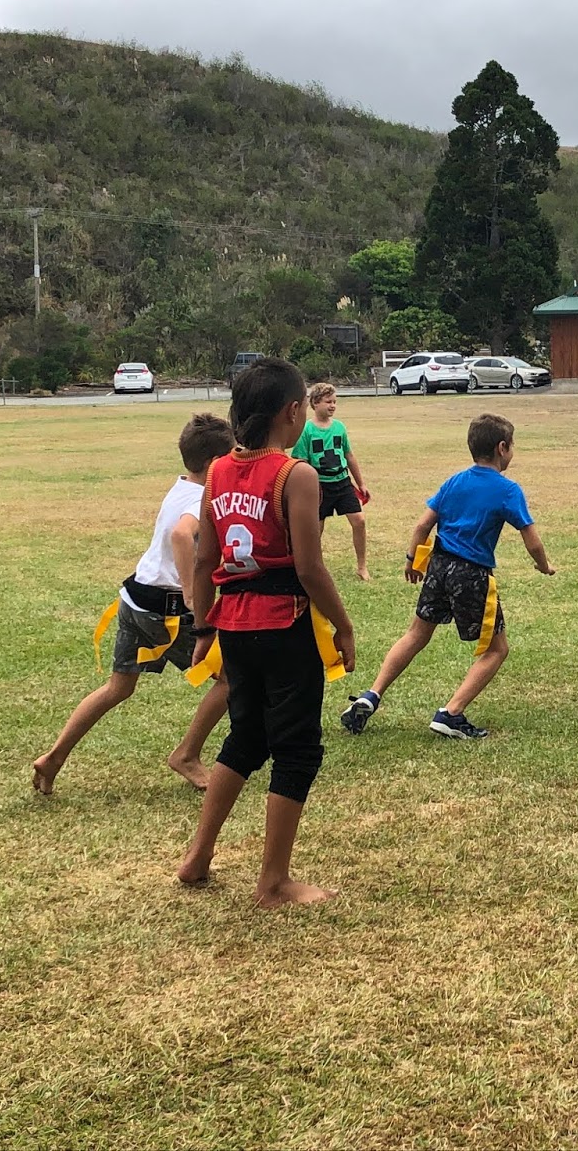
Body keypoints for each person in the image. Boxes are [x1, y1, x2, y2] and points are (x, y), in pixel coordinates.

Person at [177, 357, 356, 907]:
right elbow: (309, 568)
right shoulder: (294, 474)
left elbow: (206, 559)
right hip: (285, 625)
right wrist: (345, 626)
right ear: (293, 411)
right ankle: (273, 881)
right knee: (297, 749)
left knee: (246, 737)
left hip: (234, 624)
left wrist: (204, 626)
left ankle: (199, 856)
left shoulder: (218, 473)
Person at [31, 413, 236, 796]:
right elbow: (180, 535)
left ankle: (54, 757)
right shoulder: (202, 497)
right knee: (234, 679)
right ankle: (187, 755)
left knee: (118, 688)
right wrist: (193, 600)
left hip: (135, 598)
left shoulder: (181, 488)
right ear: (213, 465)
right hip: (166, 609)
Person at [340, 413, 554, 741]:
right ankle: (451, 713)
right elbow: (532, 539)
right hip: (472, 575)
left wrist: (413, 559)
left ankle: (373, 693)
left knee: (415, 635)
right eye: (512, 447)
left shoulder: (455, 481)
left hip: (438, 567)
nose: (513, 453)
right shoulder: (508, 490)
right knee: (497, 649)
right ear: (501, 448)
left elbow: (422, 524)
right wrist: (543, 565)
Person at [292, 382, 373, 581]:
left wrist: (360, 483)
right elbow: (299, 461)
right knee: (315, 529)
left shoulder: (339, 427)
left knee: (359, 521)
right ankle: (312, 566)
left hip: (342, 482)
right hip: (319, 486)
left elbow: (349, 455)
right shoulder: (306, 431)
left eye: (335, 402)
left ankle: (362, 566)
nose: (333, 406)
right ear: (315, 403)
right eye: (328, 402)